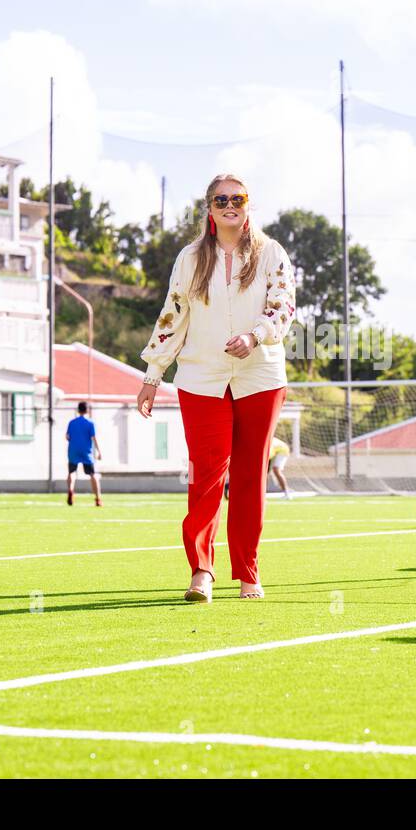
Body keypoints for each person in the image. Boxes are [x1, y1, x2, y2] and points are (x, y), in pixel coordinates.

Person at [136, 174, 295, 603]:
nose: (230, 204)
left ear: (248, 205)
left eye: (238, 198)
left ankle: (247, 572)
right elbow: (172, 316)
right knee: (206, 477)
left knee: (248, 478)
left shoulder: (271, 254)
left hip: (259, 377)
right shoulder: (189, 259)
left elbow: (283, 308)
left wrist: (255, 335)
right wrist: (153, 374)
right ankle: (201, 571)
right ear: (209, 207)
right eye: (221, 198)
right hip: (201, 378)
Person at [66, 401, 102, 507]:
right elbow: (94, 438)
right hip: (86, 452)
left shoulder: (72, 422)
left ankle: (71, 491)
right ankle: (98, 498)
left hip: (73, 450)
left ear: (78, 410)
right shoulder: (90, 423)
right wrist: (99, 451)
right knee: (92, 474)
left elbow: (67, 437)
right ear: (87, 410)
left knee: (72, 472)